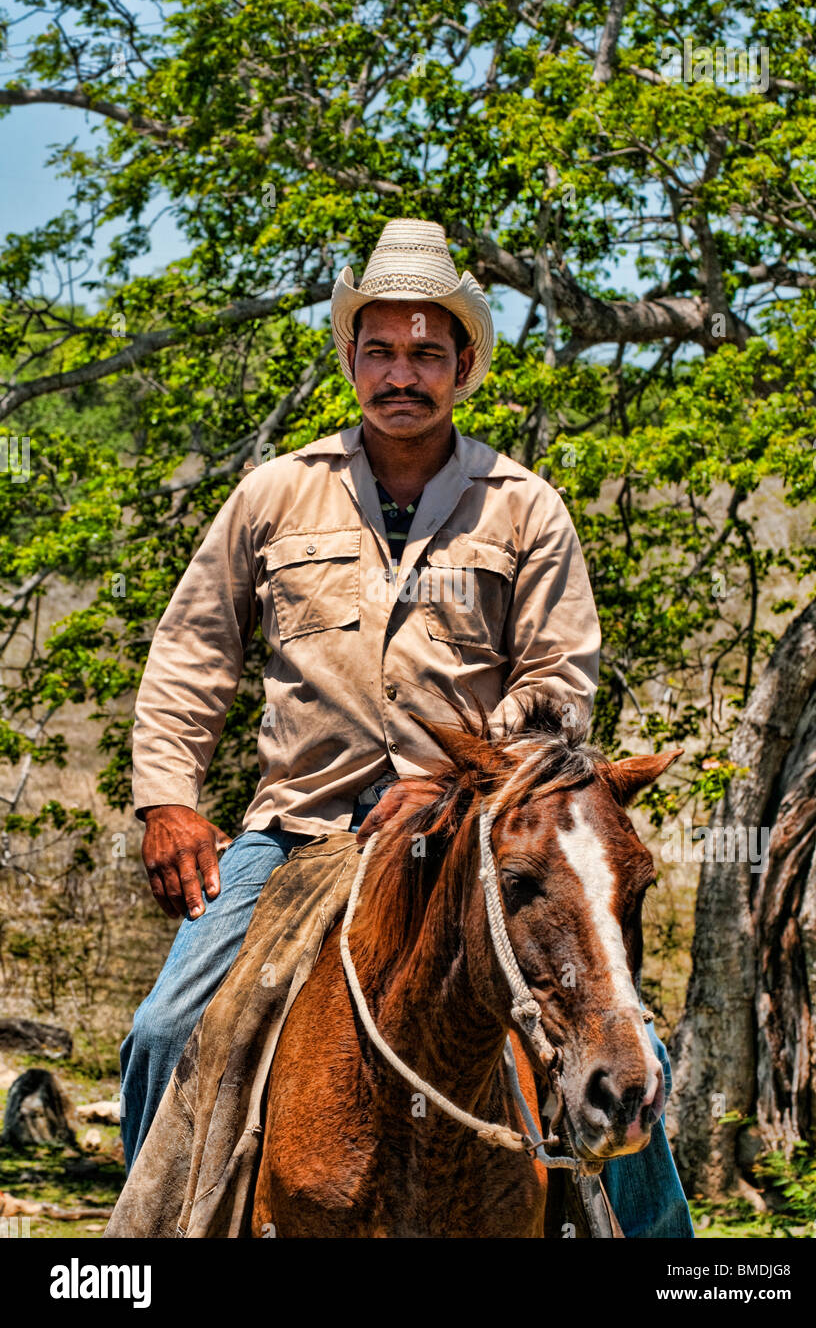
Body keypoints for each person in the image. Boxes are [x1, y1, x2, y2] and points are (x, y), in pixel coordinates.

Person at [120, 217, 692, 1237]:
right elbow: (193, 652)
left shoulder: (522, 507)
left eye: (427, 351)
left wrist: (455, 773)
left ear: (462, 366)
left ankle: (663, 1257)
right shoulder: (275, 492)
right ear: (349, 358)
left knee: (610, 1033)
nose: (401, 372)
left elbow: (559, 682)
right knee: (166, 1028)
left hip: (464, 837)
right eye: (380, 349)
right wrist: (168, 797)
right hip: (296, 833)